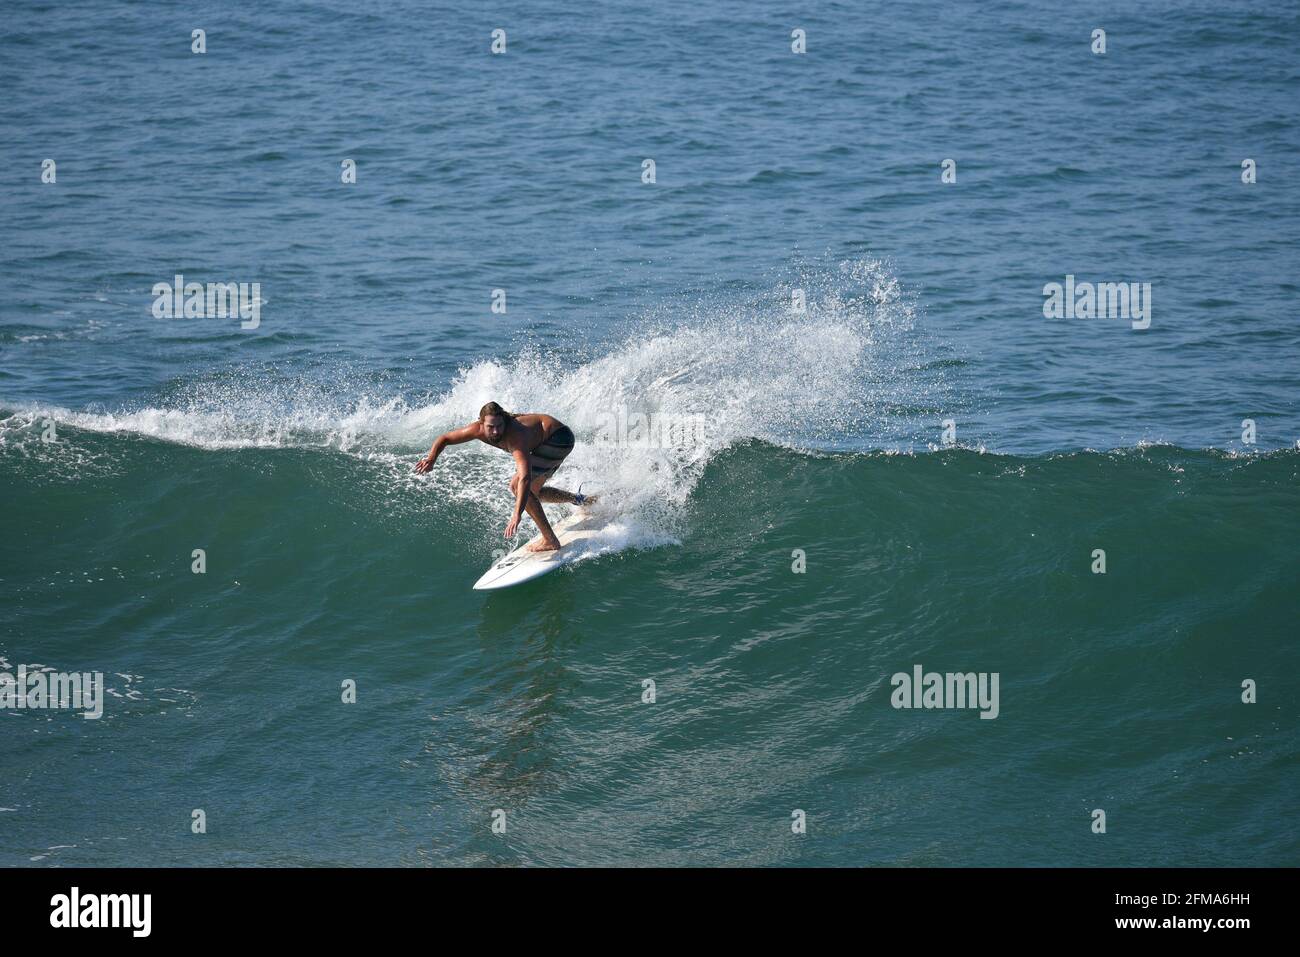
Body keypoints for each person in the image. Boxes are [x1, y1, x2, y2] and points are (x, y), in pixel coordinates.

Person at [415, 402, 592, 552]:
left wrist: (517, 514)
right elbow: (445, 438)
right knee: (533, 494)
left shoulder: (515, 436)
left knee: (518, 486)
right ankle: (579, 499)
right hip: (551, 439)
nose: (495, 432)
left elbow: (524, 478)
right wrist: (431, 458)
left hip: (558, 439)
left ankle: (550, 540)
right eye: (490, 427)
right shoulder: (476, 430)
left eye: (499, 426)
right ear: (481, 423)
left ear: (505, 421)